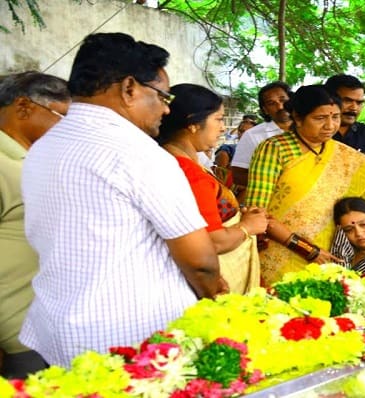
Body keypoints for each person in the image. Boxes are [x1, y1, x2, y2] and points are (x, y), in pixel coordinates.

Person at [20, 32, 226, 368]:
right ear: (130, 88)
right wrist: (213, 292)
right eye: (162, 95)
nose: (166, 108)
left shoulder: (45, 145)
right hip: (132, 339)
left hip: (59, 327)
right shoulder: (138, 153)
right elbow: (200, 260)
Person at [247, 85, 365, 284]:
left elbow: (357, 208)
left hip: (329, 255)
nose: (330, 126)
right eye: (320, 118)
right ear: (297, 117)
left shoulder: (343, 154)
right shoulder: (274, 149)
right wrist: (309, 251)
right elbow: (256, 213)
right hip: (280, 253)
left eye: (335, 117)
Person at [157, 84, 269, 294]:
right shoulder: (188, 171)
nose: (223, 128)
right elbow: (212, 241)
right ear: (192, 124)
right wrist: (247, 227)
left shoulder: (175, 159)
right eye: (218, 119)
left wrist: (237, 217)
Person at [0, 72, 70, 378]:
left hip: (47, 328)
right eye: (61, 116)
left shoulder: (27, 161)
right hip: (18, 338)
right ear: (24, 108)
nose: (67, 128)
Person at [230, 81, 292, 188]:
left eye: (283, 100)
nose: (280, 106)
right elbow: (238, 176)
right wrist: (278, 183)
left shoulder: (308, 129)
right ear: (265, 110)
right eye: (272, 103)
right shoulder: (252, 135)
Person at [324, 74, 365, 165]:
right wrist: (363, 162)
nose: (354, 108)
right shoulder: (316, 132)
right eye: (347, 101)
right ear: (328, 99)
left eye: (359, 103)